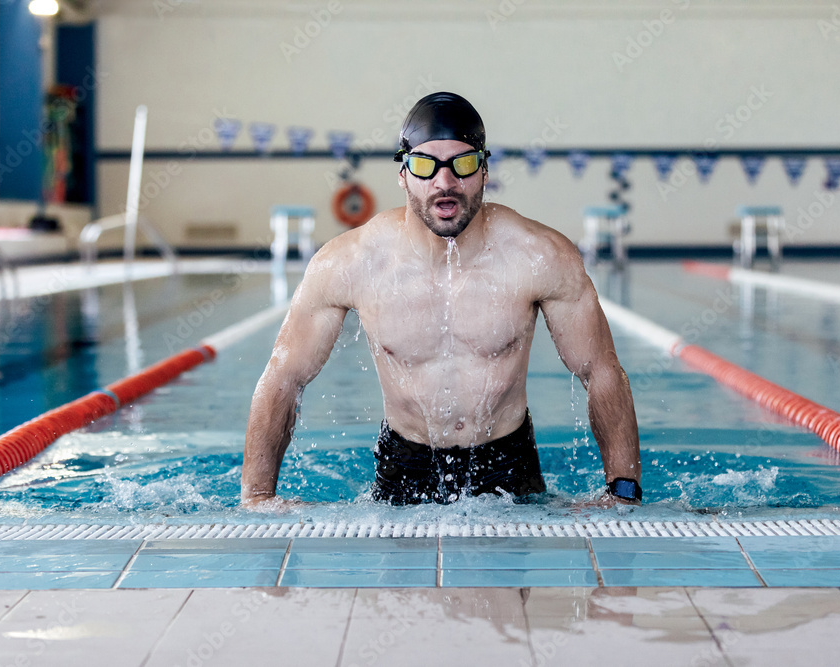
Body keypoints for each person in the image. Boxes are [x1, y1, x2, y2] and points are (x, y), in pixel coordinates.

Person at [242, 92, 640, 508]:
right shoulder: (352, 262)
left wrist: (623, 491)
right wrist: (257, 497)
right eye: (425, 165)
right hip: (404, 463)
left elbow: (601, 371)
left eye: (463, 164)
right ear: (403, 173)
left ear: (485, 170)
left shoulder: (538, 256)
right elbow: (283, 376)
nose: (444, 182)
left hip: (508, 463)